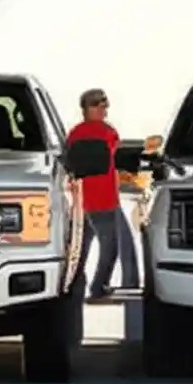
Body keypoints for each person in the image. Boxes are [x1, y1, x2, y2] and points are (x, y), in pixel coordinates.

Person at [66, 88, 138, 302]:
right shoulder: (107, 132)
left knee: (79, 249)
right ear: (87, 108)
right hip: (103, 200)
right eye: (98, 104)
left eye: (105, 103)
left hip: (81, 200)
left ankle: (73, 286)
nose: (104, 108)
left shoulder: (74, 134)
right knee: (111, 246)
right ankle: (99, 286)